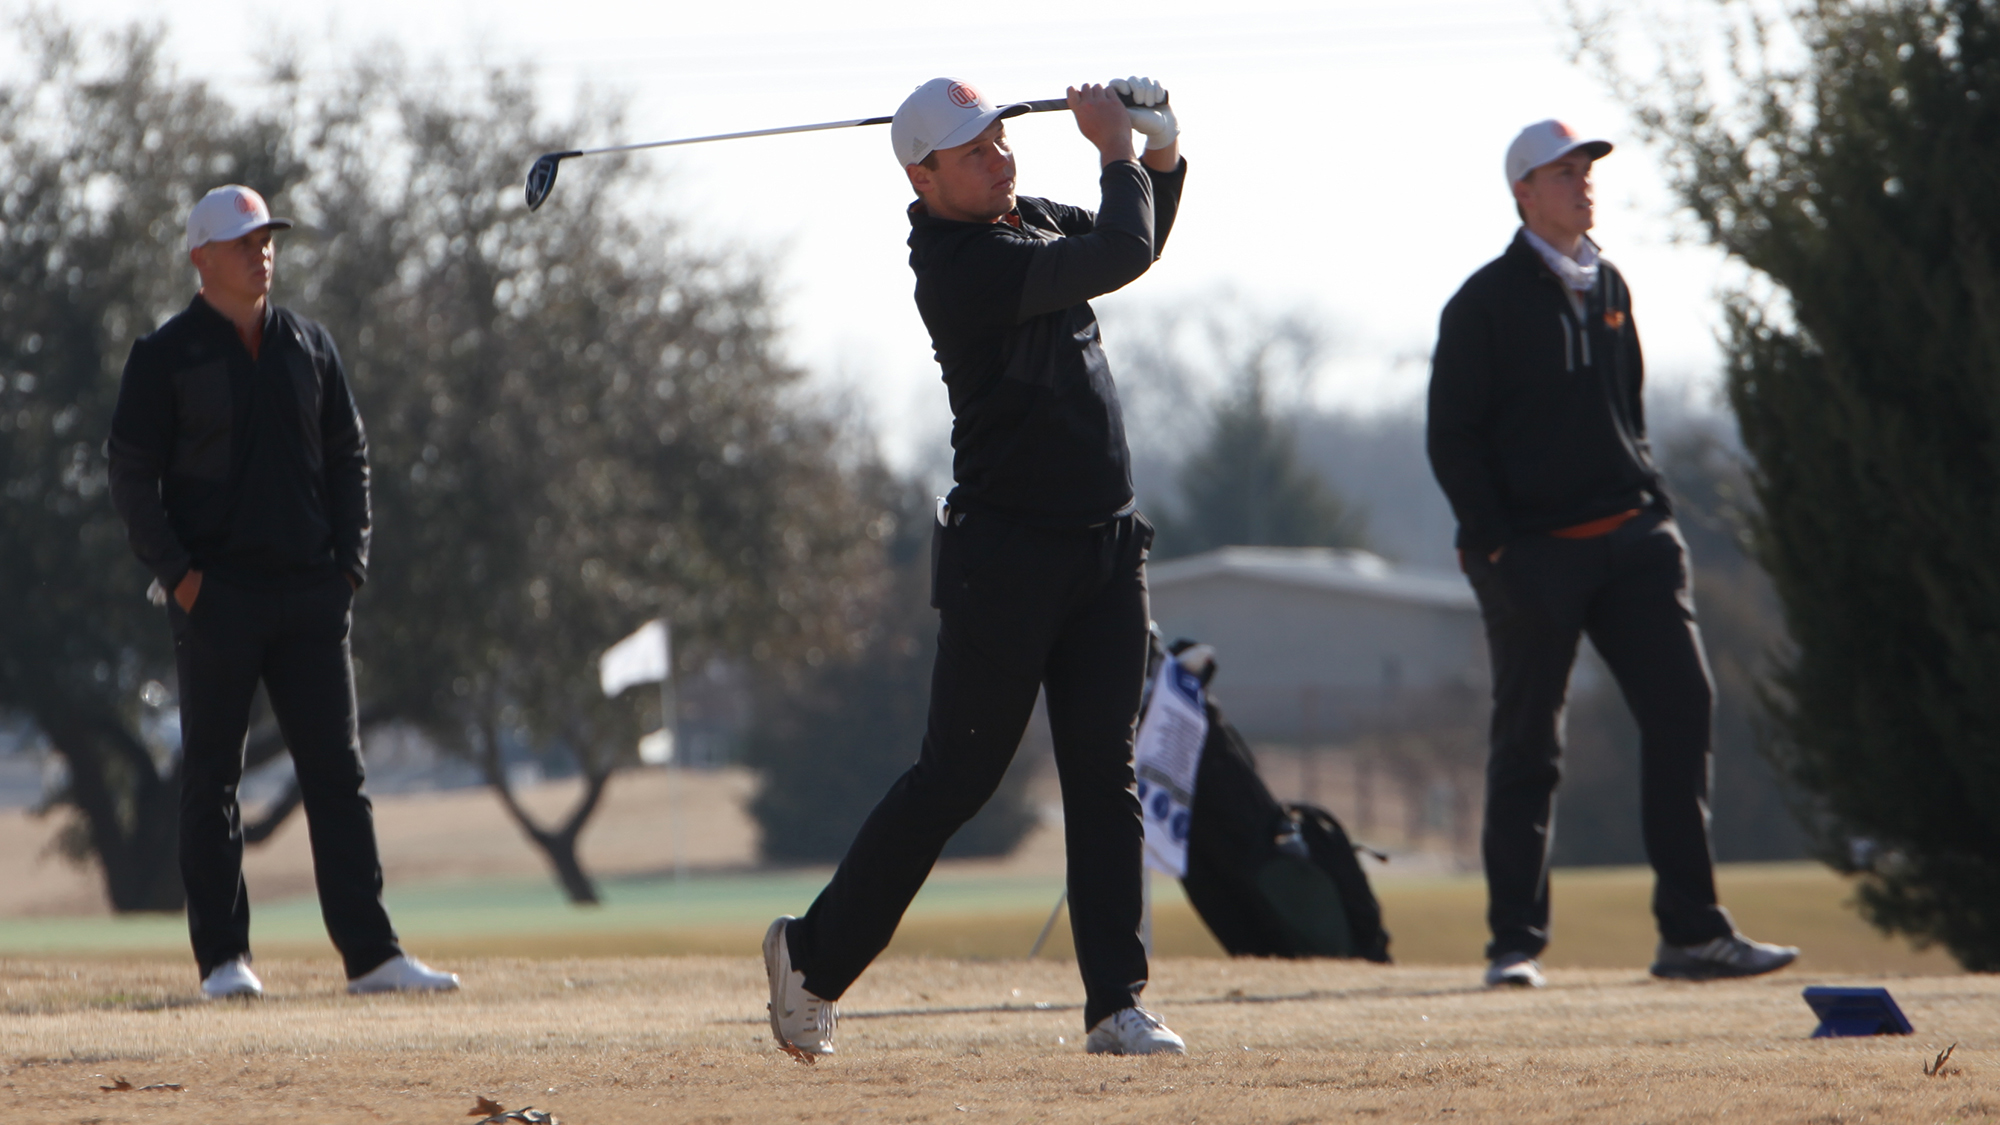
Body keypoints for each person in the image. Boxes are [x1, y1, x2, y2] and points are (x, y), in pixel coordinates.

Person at [762, 77, 1188, 1058]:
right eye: (973, 152)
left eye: (1000, 140)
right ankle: (811, 959)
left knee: (1102, 772)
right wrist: (1113, 150)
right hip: (1007, 557)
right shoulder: (960, 268)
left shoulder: (1023, 220)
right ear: (922, 177)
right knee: (954, 780)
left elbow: (1141, 235)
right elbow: (1120, 247)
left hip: (1102, 545)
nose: (999, 159)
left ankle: (1115, 1003)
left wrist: (1155, 148)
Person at [1426, 121, 1799, 989]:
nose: (1582, 183)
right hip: (1532, 558)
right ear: (1523, 192)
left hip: (1634, 543)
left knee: (1683, 710)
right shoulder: (1483, 302)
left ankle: (1693, 934)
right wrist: (1494, 546)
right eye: (1562, 173)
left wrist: (1656, 510)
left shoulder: (1612, 284)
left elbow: (1627, 414)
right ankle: (1513, 944)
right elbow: (1453, 439)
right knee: (1529, 744)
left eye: (1586, 169)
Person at [108, 184, 460, 1000]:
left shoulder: (310, 346)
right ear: (202, 257)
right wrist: (185, 580)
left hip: (311, 595)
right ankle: (224, 961)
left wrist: (349, 569)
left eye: (266, 238)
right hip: (216, 598)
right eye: (242, 242)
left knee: (337, 777)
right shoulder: (164, 356)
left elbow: (350, 460)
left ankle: (372, 957)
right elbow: (131, 479)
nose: (260, 251)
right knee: (212, 781)